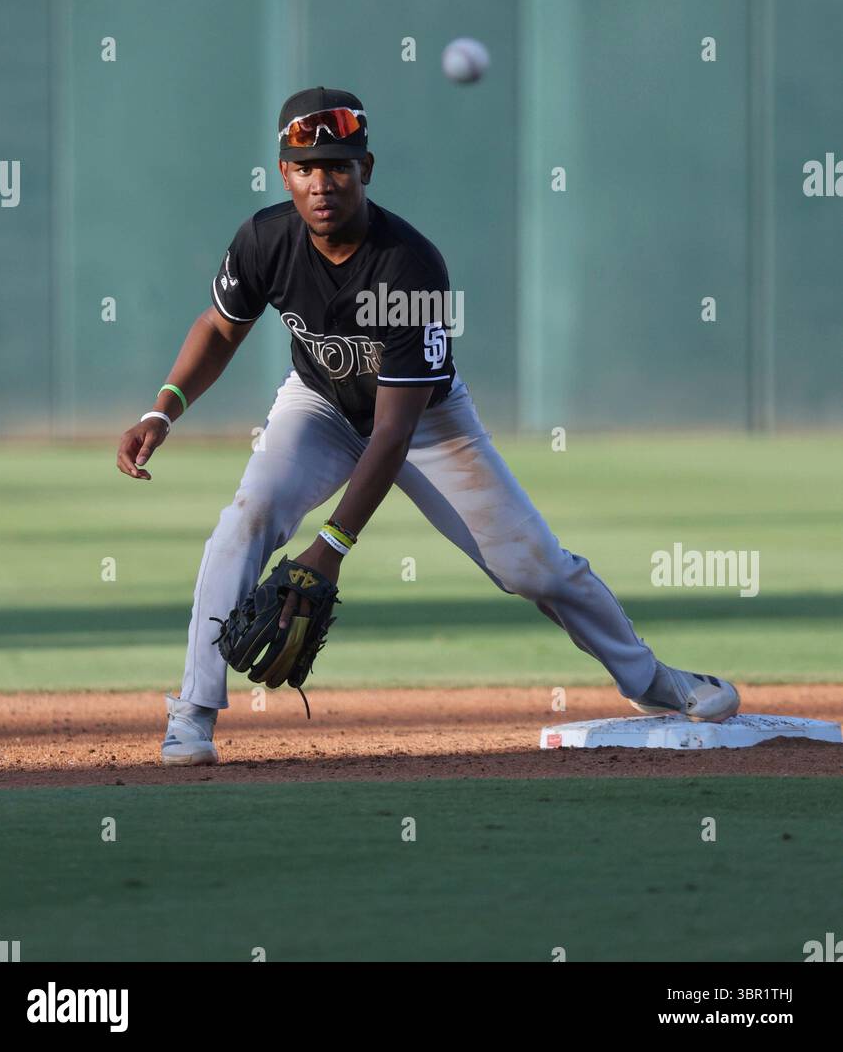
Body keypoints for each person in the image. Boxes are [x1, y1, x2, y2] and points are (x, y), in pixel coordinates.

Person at [115, 86, 740, 765]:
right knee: (245, 517)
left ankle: (653, 680)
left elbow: (390, 435)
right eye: (305, 167)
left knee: (533, 567)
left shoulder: (408, 265)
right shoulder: (265, 239)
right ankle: (195, 712)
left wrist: (330, 546)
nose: (322, 182)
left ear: (367, 169)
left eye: (339, 166)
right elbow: (219, 326)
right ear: (283, 172)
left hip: (425, 422)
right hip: (318, 403)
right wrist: (163, 408)